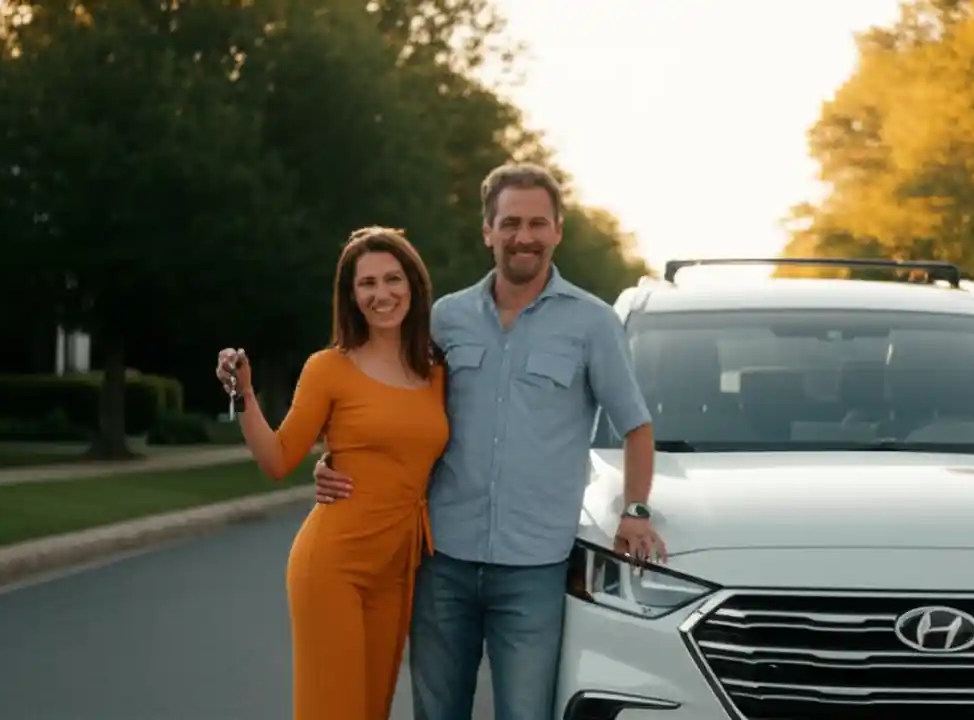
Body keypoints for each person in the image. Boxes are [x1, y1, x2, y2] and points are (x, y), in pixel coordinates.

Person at [312, 162, 667, 720]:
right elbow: (388, 395)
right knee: (437, 713)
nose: (522, 236)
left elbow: (636, 425)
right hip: (442, 560)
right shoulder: (445, 318)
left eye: (536, 223)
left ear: (557, 230)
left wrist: (636, 511)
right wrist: (334, 457)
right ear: (488, 230)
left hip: (535, 570)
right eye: (509, 223)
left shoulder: (593, 323)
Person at [214, 227, 448, 720]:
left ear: (414, 285)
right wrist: (245, 395)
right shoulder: (328, 369)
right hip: (333, 567)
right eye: (366, 284)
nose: (382, 294)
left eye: (392, 279)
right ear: (351, 295)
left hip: (399, 571)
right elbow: (278, 460)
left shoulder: (437, 372)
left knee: (372, 711)